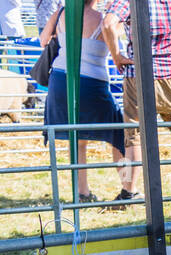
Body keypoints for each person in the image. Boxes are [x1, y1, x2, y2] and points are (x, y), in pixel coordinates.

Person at [103, 0, 171, 202]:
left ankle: (128, 192)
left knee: (134, 135)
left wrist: (117, 56)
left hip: (139, 74)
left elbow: (108, 24)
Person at [40, 0, 124, 204]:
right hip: (92, 82)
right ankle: (129, 186)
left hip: (60, 80)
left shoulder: (61, 13)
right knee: (122, 134)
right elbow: (117, 41)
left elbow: (43, 40)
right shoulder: (104, 19)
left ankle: (81, 192)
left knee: (76, 138)